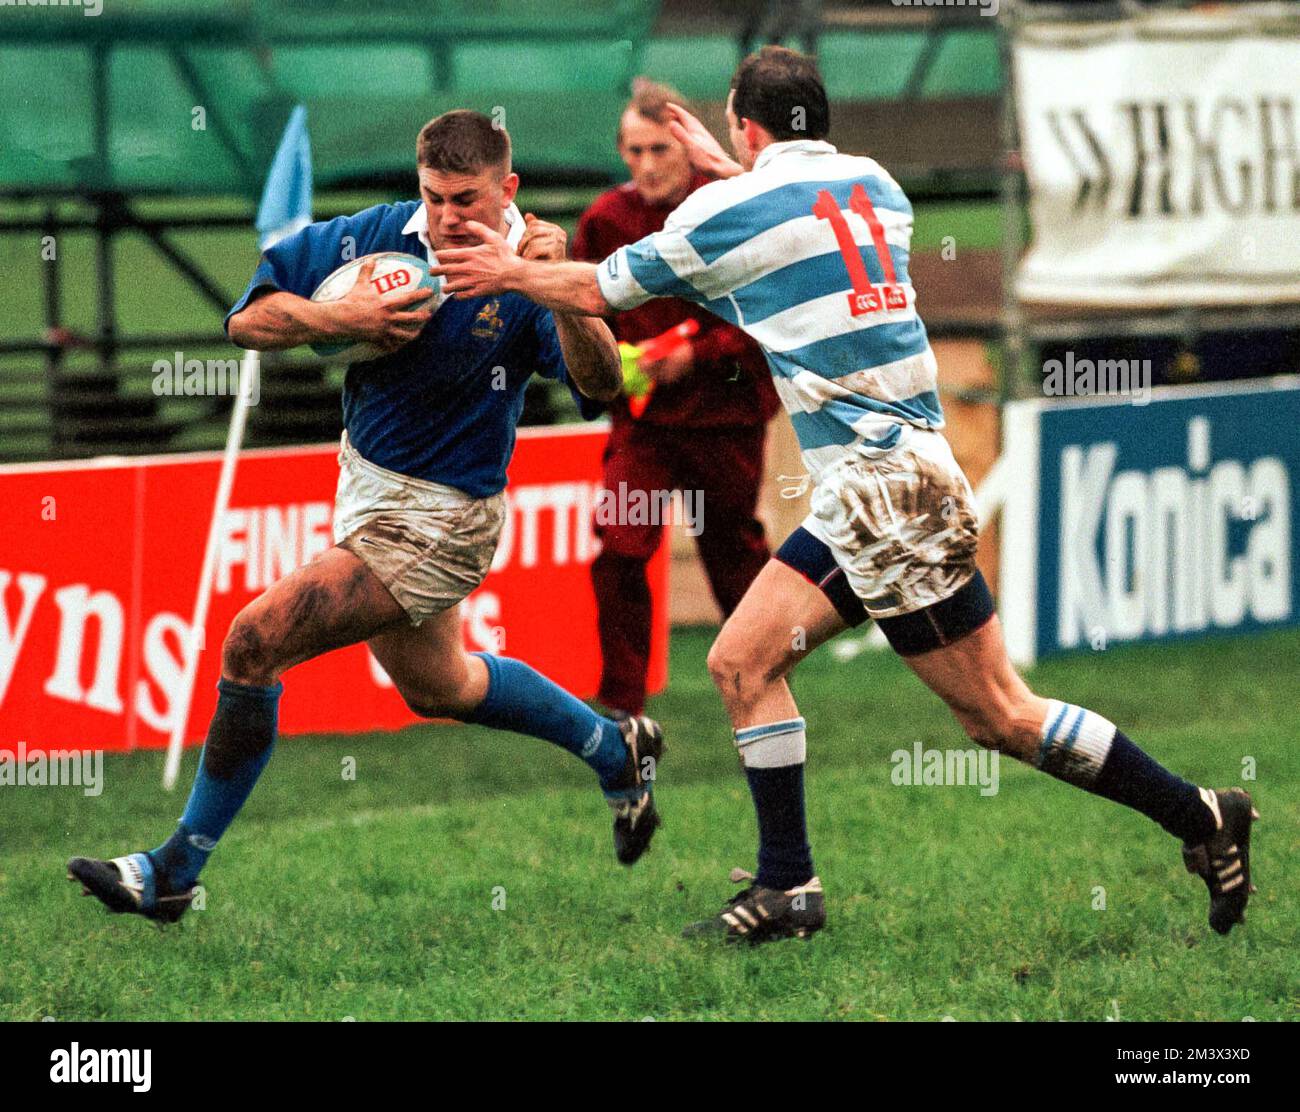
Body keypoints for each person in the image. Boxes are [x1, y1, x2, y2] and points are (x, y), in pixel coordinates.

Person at [431, 50, 1260, 944]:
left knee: (998, 714)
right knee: (742, 664)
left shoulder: (728, 208)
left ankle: (1201, 814)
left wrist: (507, 273)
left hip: (886, 499)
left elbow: (598, 286)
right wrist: (729, 169)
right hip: (889, 486)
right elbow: (790, 212)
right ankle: (789, 885)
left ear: (747, 127)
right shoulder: (879, 187)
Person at [68, 110, 665, 925]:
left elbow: (602, 384)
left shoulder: (528, 269)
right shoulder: (375, 240)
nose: (449, 216)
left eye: (467, 199)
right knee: (443, 686)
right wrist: (340, 319)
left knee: (254, 639)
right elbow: (247, 318)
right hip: (367, 492)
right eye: (434, 196)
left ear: (509, 190)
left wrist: (558, 291)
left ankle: (174, 870)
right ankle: (613, 747)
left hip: (446, 518)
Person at [573, 79, 779, 718]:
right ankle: (622, 707)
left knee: (734, 557)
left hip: (725, 418)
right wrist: (605, 369)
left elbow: (769, 313)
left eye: (659, 148)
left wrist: (695, 354)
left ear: (688, 146)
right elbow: (582, 314)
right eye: (632, 150)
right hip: (645, 426)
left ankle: (767, 676)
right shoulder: (605, 220)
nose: (646, 164)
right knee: (620, 546)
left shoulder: (729, 208)